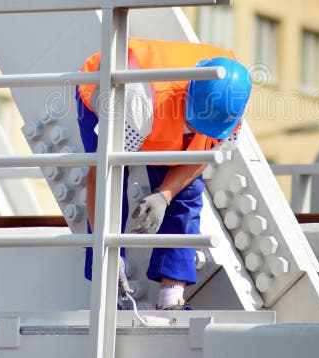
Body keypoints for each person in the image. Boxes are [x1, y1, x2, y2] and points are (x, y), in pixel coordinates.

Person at [76, 37, 252, 310]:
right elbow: (102, 176)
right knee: (114, 185)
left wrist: (165, 194)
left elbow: (204, 152)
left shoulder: (232, 102)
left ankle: (171, 298)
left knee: (188, 192)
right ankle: (108, 280)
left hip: (160, 119)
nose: (194, 134)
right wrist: (105, 256)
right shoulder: (140, 103)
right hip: (108, 92)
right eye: (193, 126)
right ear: (187, 99)